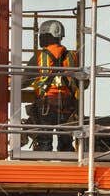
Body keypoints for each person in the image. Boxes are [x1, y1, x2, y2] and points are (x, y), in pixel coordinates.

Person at [26, 19, 81, 152]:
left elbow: (24, 80)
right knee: (66, 144)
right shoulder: (73, 57)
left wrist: (8, 81)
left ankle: (43, 168)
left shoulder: (39, 57)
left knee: (44, 143)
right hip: (68, 107)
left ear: (46, 36)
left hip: (46, 106)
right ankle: (70, 170)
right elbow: (83, 84)